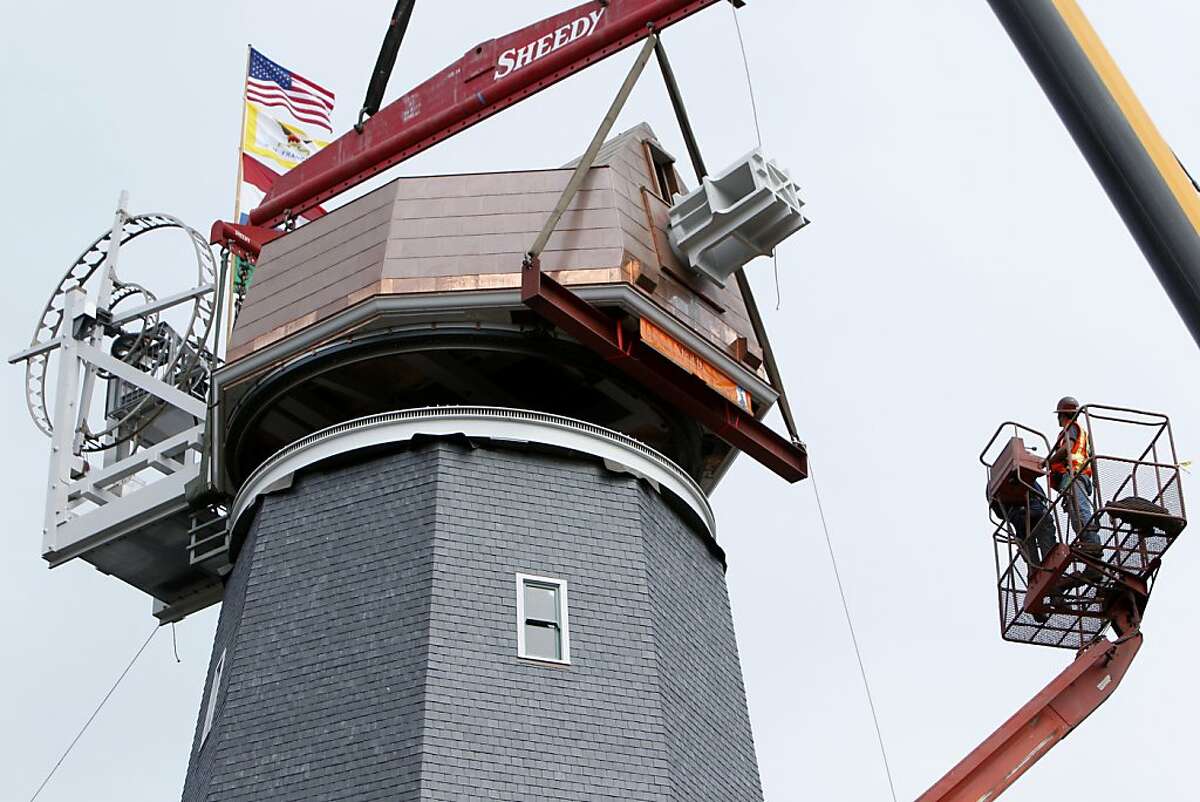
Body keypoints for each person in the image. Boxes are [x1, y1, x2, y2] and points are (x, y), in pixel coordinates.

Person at [1046, 397, 1103, 557]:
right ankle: (1089, 548)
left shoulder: (1070, 428)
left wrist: (1047, 461)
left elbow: (1068, 448)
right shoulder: (1080, 430)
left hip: (1075, 476)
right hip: (1079, 476)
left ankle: (1092, 546)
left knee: (1080, 511)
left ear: (1061, 415)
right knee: (1077, 512)